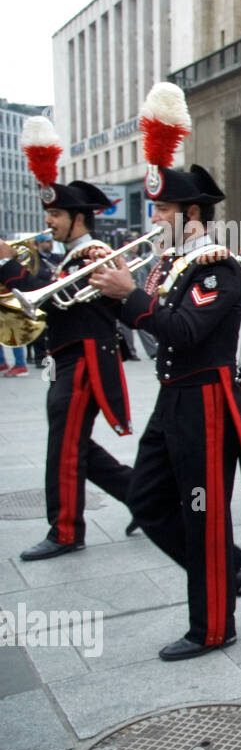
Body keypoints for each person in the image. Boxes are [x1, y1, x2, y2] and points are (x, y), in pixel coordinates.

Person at [89, 82, 241, 659]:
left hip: (206, 402)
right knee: (148, 500)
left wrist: (130, 293)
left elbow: (182, 331)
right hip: (172, 399)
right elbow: (153, 318)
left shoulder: (217, 267)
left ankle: (213, 625)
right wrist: (112, 291)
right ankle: (225, 569)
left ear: (191, 214)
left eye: (161, 209)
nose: (153, 217)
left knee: (202, 512)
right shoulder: (170, 265)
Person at [1, 116, 135, 561]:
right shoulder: (68, 256)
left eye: (56, 214)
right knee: (75, 446)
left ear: (78, 217)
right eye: (48, 214)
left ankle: (65, 531)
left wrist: (9, 267)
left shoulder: (94, 254)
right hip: (66, 360)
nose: (49, 221)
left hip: (85, 363)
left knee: (64, 448)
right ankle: (145, 496)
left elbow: (58, 299)